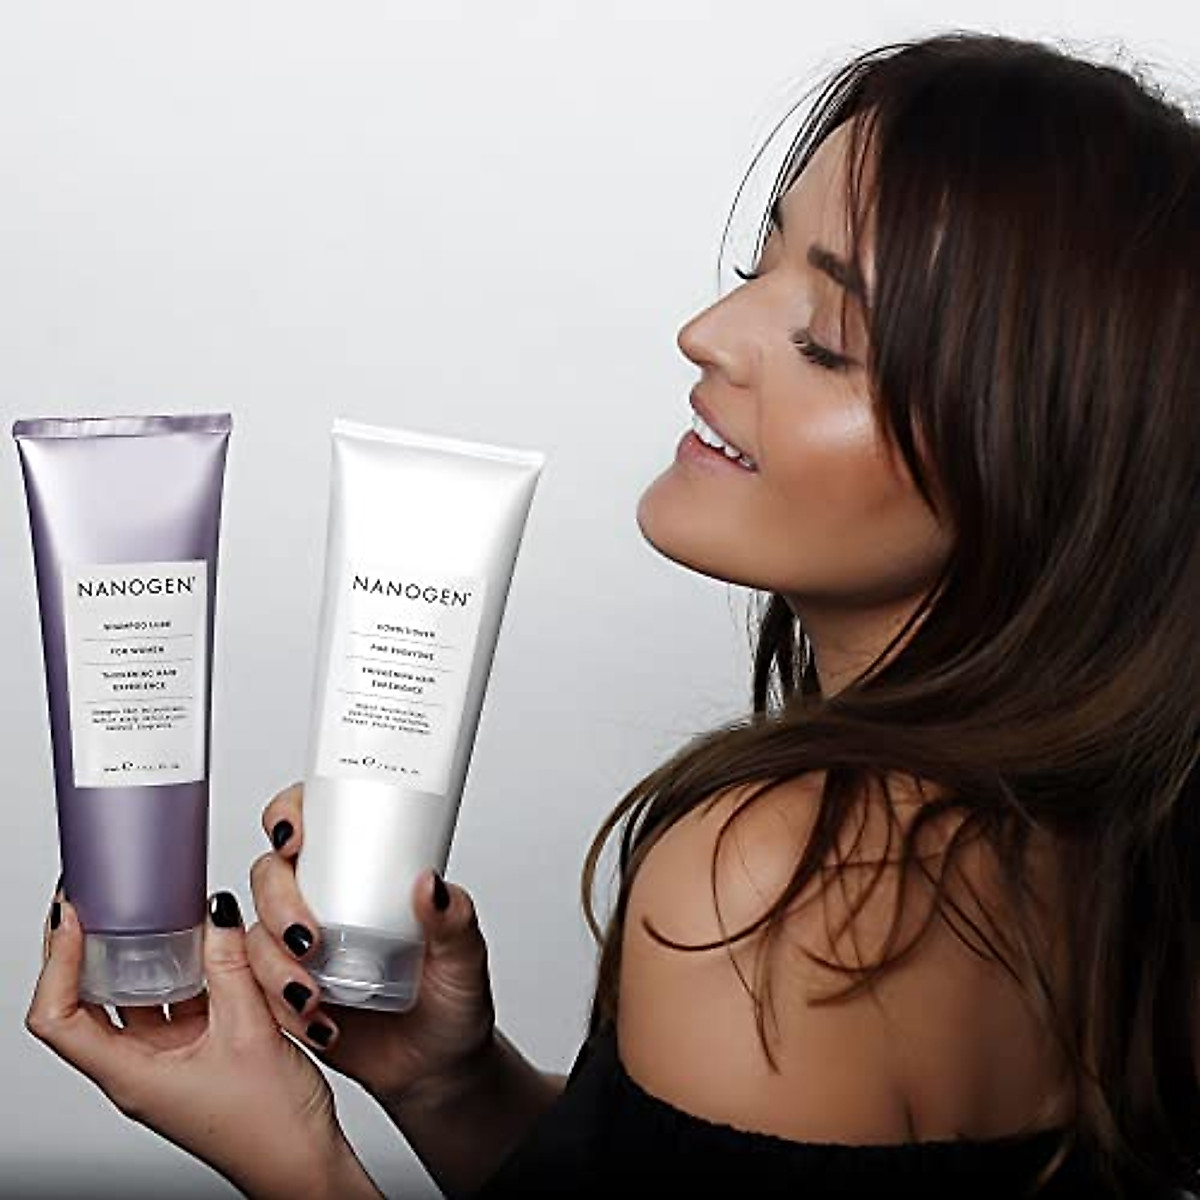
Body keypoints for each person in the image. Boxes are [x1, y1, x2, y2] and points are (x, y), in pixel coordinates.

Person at [26, 30, 1199, 1199]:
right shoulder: (1084, 841)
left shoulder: (786, 881)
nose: (709, 332)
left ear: (1043, 459)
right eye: (757, 264)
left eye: (828, 340)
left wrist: (291, 1155)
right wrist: (451, 1083)